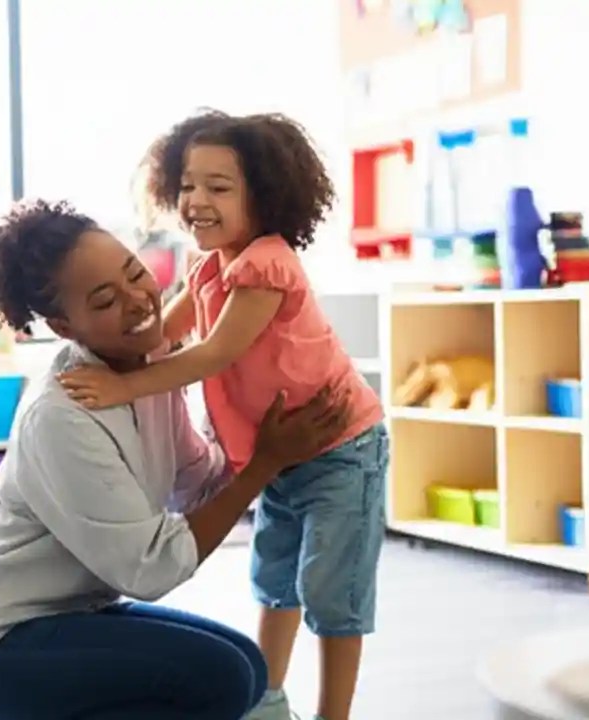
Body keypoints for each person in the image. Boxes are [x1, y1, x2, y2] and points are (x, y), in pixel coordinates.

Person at [0, 199, 353, 720]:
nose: (138, 300)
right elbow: (151, 568)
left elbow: (198, 481)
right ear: (64, 326)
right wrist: (264, 463)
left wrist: (267, 428)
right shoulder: (61, 417)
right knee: (218, 678)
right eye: (105, 301)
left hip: (71, 612)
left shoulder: (148, 371)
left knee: (248, 665)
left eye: (135, 273)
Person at [59, 109, 388, 720]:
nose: (196, 200)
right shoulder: (211, 265)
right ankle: (265, 701)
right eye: (187, 184)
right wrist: (113, 355)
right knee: (274, 578)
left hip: (342, 447)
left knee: (330, 590)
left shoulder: (266, 264)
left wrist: (121, 387)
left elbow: (214, 352)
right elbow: (169, 331)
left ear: (263, 197)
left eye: (218, 187)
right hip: (282, 452)